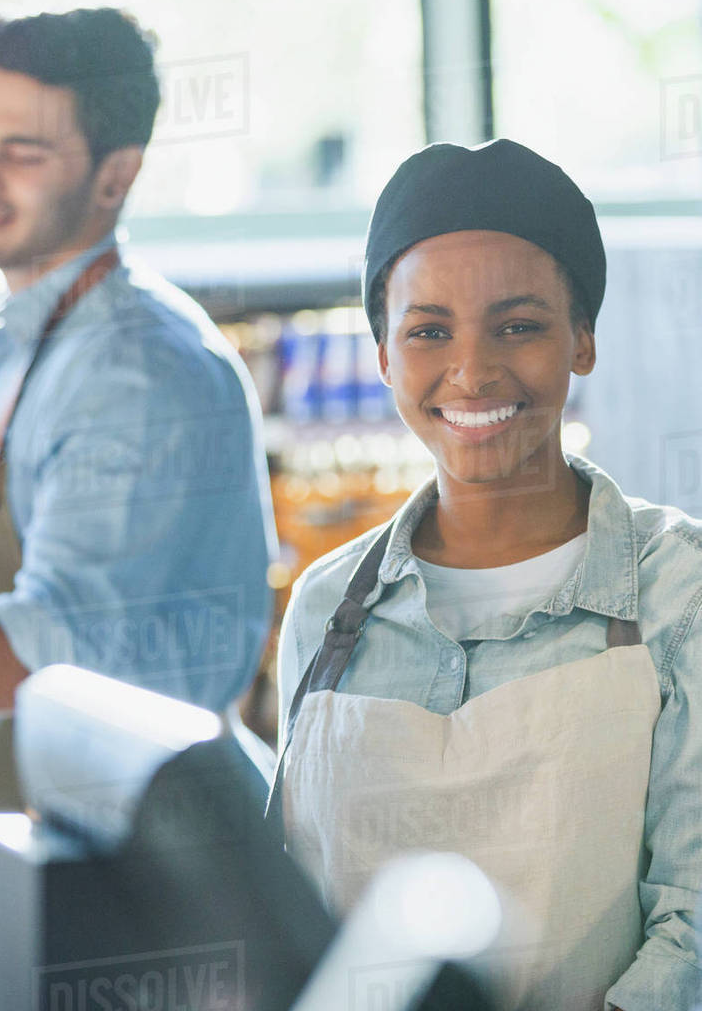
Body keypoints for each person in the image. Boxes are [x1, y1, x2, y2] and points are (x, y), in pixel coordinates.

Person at [272, 139, 702, 1011]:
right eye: (428, 331)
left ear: (580, 339)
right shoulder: (325, 609)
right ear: (384, 355)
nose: (471, 370)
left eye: (518, 326)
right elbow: (295, 911)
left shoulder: (678, 591)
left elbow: (693, 925)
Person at [0, 7, 276, 819]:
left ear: (116, 176)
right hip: (36, 851)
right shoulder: (25, 339)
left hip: (146, 878)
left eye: (21, 152)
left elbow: (49, 644)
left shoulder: (135, 371)